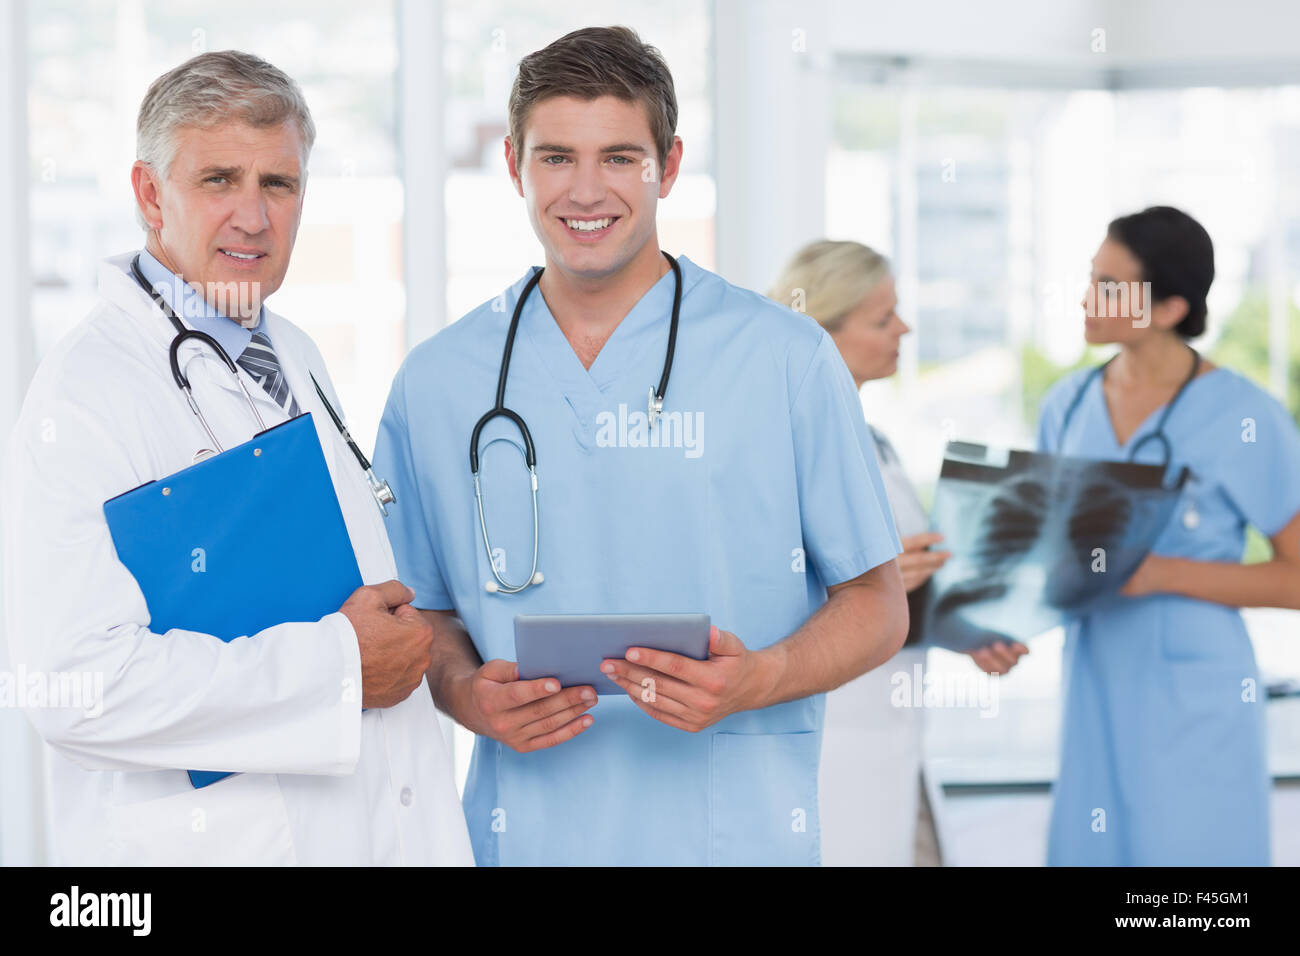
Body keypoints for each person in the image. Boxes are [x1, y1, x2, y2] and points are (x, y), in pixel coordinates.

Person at [372, 26, 908, 866]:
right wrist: (465, 694)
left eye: (620, 157)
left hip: (733, 835)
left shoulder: (785, 358)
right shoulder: (437, 382)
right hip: (525, 836)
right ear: (513, 164)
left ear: (669, 163)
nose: (586, 191)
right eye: (556, 158)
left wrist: (758, 679)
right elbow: (422, 614)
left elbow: (878, 603)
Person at [2, 51, 473, 866]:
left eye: (279, 185)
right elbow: (72, 689)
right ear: (151, 196)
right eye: (219, 180)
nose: (254, 218)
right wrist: (339, 667)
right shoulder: (81, 396)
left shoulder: (289, 349)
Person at [986, 205, 1300, 865]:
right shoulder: (1067, 405)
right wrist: (993, 621)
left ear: (1168, 307)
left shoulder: (1243, 415)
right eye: (1091, 277)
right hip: (1094, 681)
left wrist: (1158, 573)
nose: (1085, 299)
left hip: (1200, 691)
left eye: (1108, 286)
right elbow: (1049, 553)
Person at [769, 240, 1029, 865]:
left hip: (893, 724)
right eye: (883, 319)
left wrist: (960, 626)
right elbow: (758, 585)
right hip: (832, 731)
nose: (904, 329)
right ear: (819, 331)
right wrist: (860, 582)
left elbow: (903, 583)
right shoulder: (773, 437)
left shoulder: (875, 441)